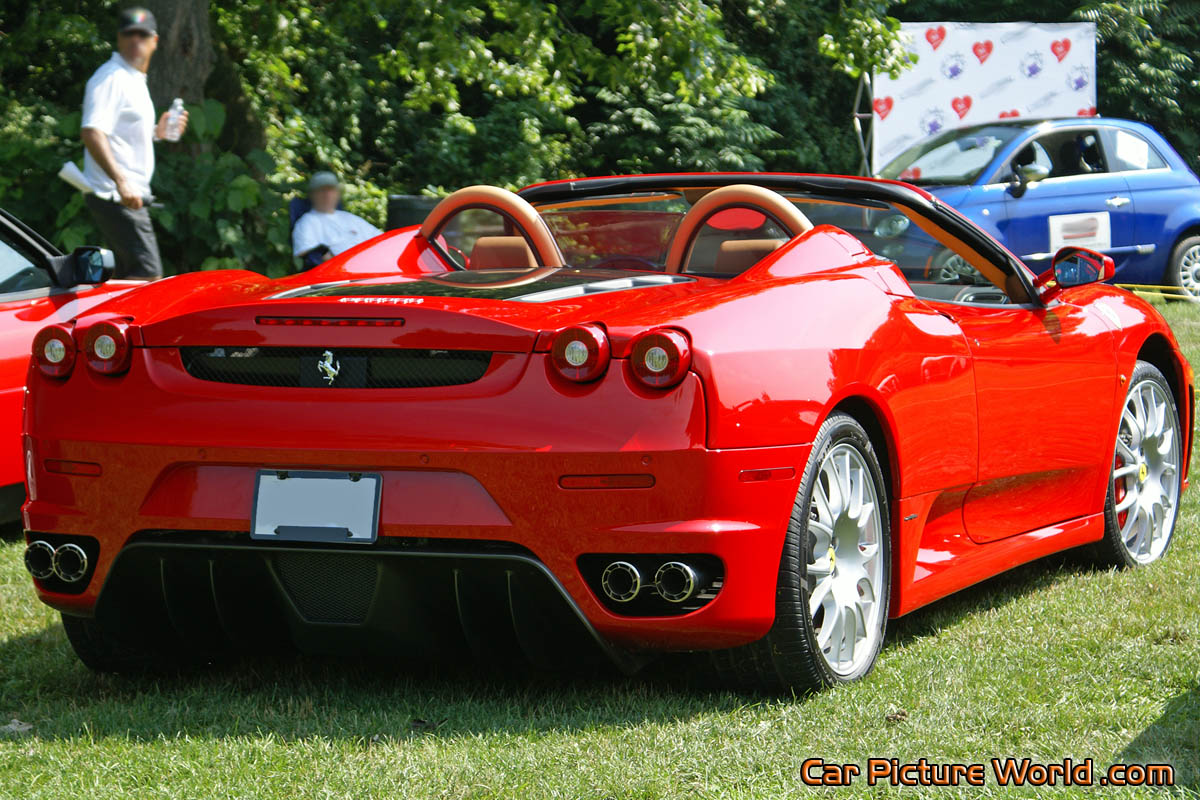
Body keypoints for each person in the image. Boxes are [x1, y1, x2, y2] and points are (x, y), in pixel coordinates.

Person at [79, 7, 187, 279]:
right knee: (147, 275)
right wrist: (121, 182)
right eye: (129, 34)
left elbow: (120, 132)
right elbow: (92, 132)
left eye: (142, 34)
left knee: (125, 279)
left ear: (155, 41)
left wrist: (157, 132)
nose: (135, 40)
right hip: (115, 195)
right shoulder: (111, 77)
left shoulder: (133, 79)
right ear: (119, 38)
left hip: (124, 195)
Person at [292, 172, 383, 265]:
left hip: (375, 264)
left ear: (338, 194)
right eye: (322, 190)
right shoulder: (307, 223)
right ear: (312, 194)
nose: (327, 195)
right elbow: (309, 256)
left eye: (331, 190)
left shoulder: (351, 218)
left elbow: (382, 240)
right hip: (342, 270)